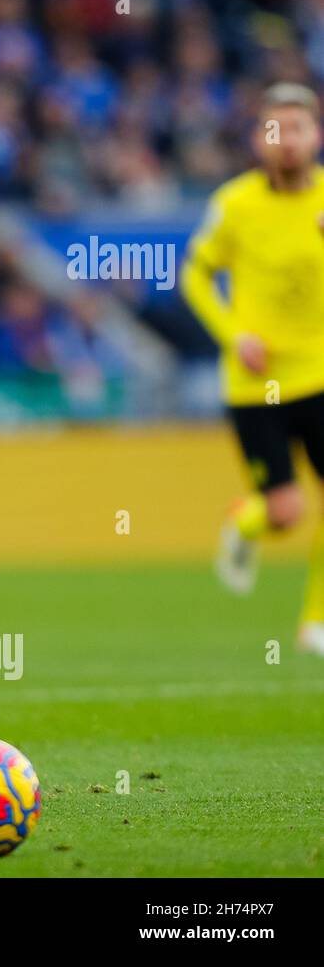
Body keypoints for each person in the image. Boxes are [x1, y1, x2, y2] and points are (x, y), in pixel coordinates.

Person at [181, 82, 324, 656]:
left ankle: (314, 623)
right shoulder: (235, 204)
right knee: (286, 512)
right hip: (254, 382)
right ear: (257, 139)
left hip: (318, 371)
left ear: (315, 136)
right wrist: (233, 333)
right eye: (274, 130)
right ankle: (245, 523)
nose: (286, 141)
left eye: (297, 129)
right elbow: (194, 274)